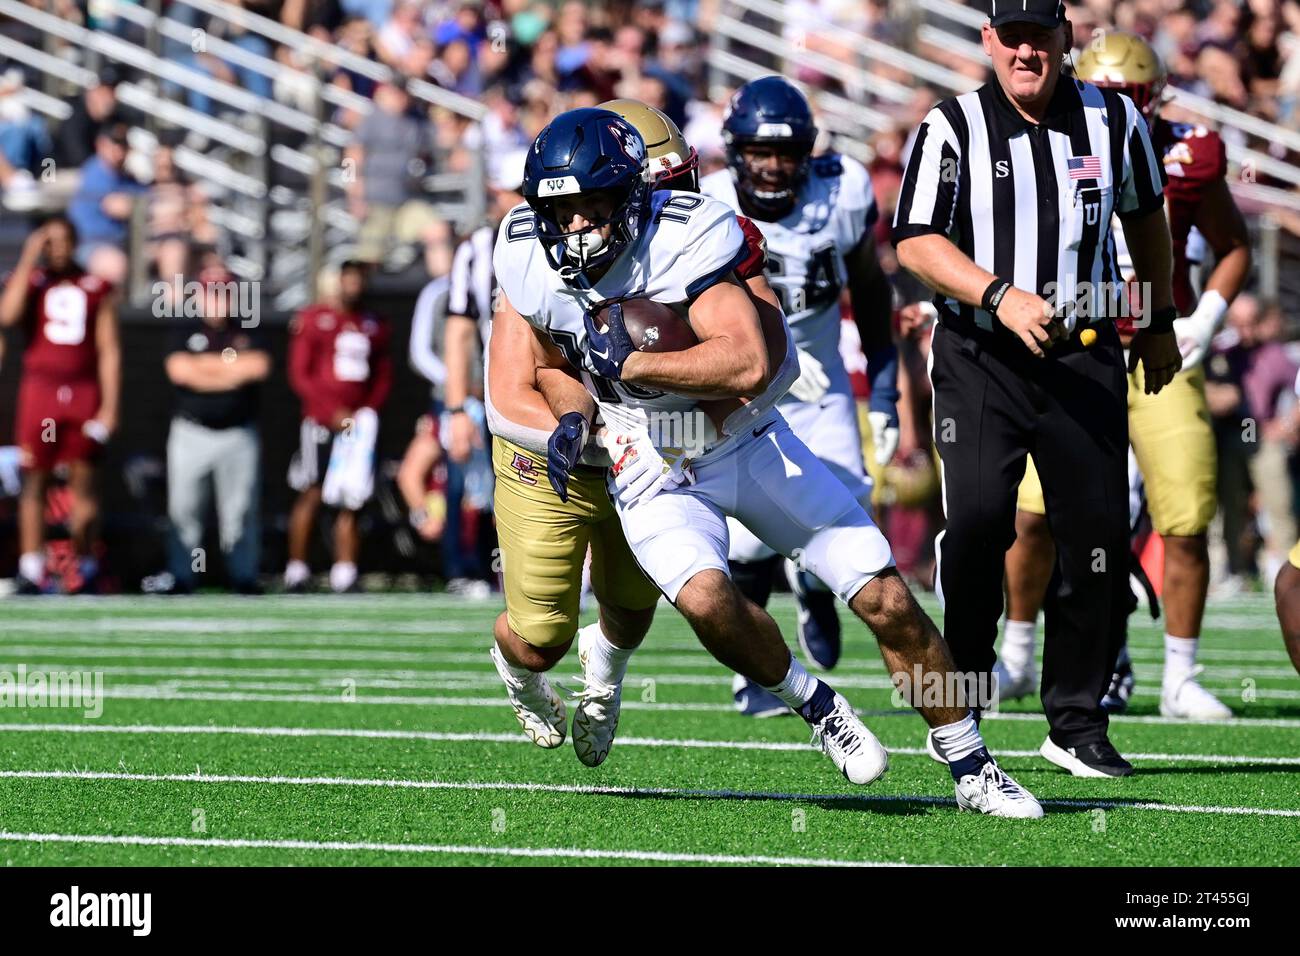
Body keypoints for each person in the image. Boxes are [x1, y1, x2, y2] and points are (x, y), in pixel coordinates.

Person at [500, 106, 1042, 817]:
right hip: (647, 456)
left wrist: (637, 359)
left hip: (744, 438)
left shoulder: (690, 236)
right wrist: (574, 415)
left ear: (631, 197)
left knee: (883, 595)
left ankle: (972, 763)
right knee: (703, 599)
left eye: (590, 208)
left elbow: (751, 358)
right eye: (559, 211)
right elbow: (553, 357)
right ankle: (816, 705)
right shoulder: (525, 255)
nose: (573, 229)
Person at [893, 1, 1181, 778]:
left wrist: (1156, 321)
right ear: (988, 40)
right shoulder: (951, 126)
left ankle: (1076, 721)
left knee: (1095, 539)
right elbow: (916, 240)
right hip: (981, 354)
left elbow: (1146, 216)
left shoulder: (1114, 120)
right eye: (1011, 36)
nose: (1027, 51)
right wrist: (997, 295)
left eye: (1040, 36)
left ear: (1065, 40)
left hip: (1084, 355)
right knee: (983, 520)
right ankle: (966, 694)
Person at [1000, 31, 1252, 726]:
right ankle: (1018, 657)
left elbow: (1233, 246)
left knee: (1185, 515)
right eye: (1108, 99)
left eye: (1132, 101)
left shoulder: (1188, 154)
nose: (1119, 113)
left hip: (1160, 348)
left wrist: (1204, 317)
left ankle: (1180, 675)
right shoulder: (1037, 141)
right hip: (1075, 347)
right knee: (1032, 512)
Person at [701, 75, 898, 716]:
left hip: (819, 381)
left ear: (808, 152)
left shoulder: (841, 193)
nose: (772, 166)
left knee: (847, 511)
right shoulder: (703, 205)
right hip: (741, 386)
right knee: (748, 538)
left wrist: (888, 390)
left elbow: (870, 292)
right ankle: (754, 674)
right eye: (759, 151)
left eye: (785, 153)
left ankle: (812, 584)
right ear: (736, 151)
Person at [0, 215, 120, 594]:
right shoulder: (33, 283)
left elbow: (109, 349)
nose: (58, 248)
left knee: (84, 484)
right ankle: (33, 567)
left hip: (82, 392)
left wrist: (110, 406)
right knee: (35, 482)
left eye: (63, 239)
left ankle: (84, 567)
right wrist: (28, 256)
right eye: (49, 241)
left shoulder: (94, 286)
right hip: (40, 391)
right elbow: (7, 315)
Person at [160, 267, 271, 594]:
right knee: (185, 510)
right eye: (211, 293)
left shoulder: (247, 326)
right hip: (192, 433)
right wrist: (229, 371)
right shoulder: (185, 327)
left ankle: (243, 576)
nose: (218, 301)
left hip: (237, 433)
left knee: (240, 511)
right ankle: (184, 576)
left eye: (224, 293)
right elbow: (180, 372)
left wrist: (204, 369)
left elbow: (258, 368)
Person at [285, 261, 392, 593]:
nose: (353, 286)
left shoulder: (374, 324)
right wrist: (330, 411)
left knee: (353, 496)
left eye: (358, 279)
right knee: (314, 489)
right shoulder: (314, 319)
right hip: (321, 421)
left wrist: (365, 412)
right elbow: (300, 374)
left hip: (357, 425)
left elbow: (382, 375)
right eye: (347, 278)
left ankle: (345, 571)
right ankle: (297, 569)